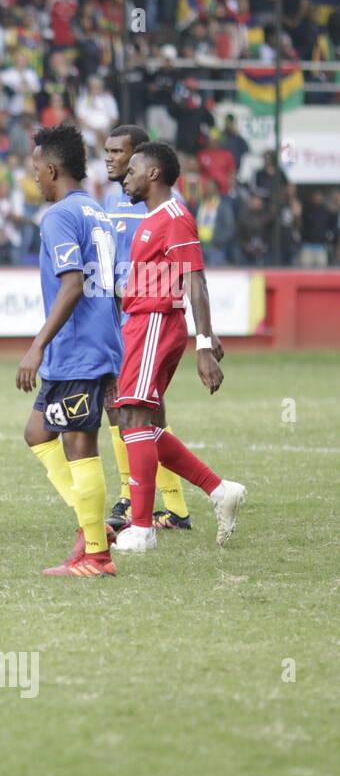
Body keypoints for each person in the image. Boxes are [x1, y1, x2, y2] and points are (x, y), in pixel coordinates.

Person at [112, 142, 246, 552]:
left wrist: (203, 343)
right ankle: (219, 490)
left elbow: (195, 279)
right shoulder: (153, 218)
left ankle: (141, 528)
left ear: (153, 173)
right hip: (142, 322)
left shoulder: (174, 217)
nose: (125, 176)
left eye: (132, 169)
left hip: (155, 322)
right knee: (136, 421)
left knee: (133, 415)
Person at [15, 124, 121, 576]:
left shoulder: (59, 215)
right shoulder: (96, 210)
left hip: (77, 349)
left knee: (79, 444)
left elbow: (72, 284)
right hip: (95, 343)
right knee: (38, 432)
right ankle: (92, 524)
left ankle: (96, 555)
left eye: (36, 168)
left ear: (53, 169)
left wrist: (36, 347)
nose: (34, 177)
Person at [101, 125, 192, 531]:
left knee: (146, 409)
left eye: (118, 153)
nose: (110, 160)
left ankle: (169, 503)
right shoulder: (110, 200)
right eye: (107, 152)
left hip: (148, 316)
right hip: (118, 315)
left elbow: (183, 270)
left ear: (143, 159)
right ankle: (134, 495)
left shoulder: (165, 205)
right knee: (118, 405)